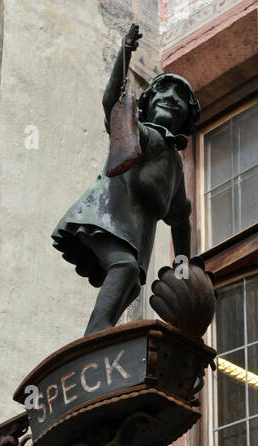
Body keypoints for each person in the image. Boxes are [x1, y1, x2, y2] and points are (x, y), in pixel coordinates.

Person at [52, 24, 202, 334]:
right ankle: (95, 337)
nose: (171, 97)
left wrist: (183, 270)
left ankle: (101, 337)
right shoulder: (142, 135)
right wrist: (125, 52)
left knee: (131, 282)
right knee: (124, 268)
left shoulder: (174, 166)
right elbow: (111, 104)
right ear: (148, 101)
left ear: (188, 115)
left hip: (130, 239)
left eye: (181, 95)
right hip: (102, 219)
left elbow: (181, 221)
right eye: (163, 89)